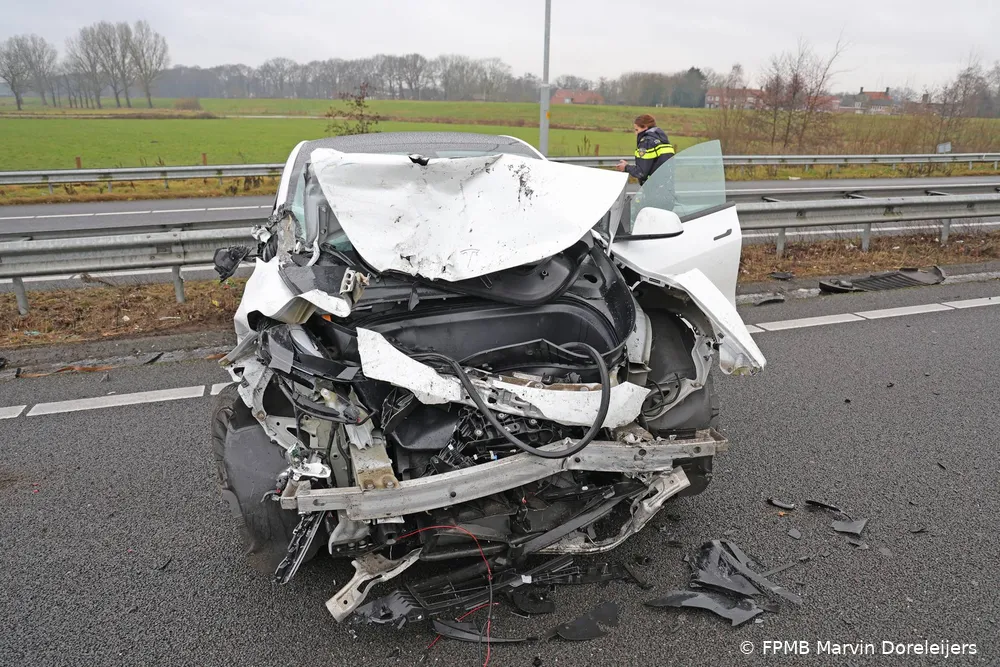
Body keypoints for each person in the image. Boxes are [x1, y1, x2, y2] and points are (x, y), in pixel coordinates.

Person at [614, 114, 674, 185]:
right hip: (667, 185)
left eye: (637, 130)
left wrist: (626, 167)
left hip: (653, 187)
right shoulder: (663, 141)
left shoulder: (646, 142)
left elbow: (641, 172)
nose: (636, 133)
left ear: (645, 127)